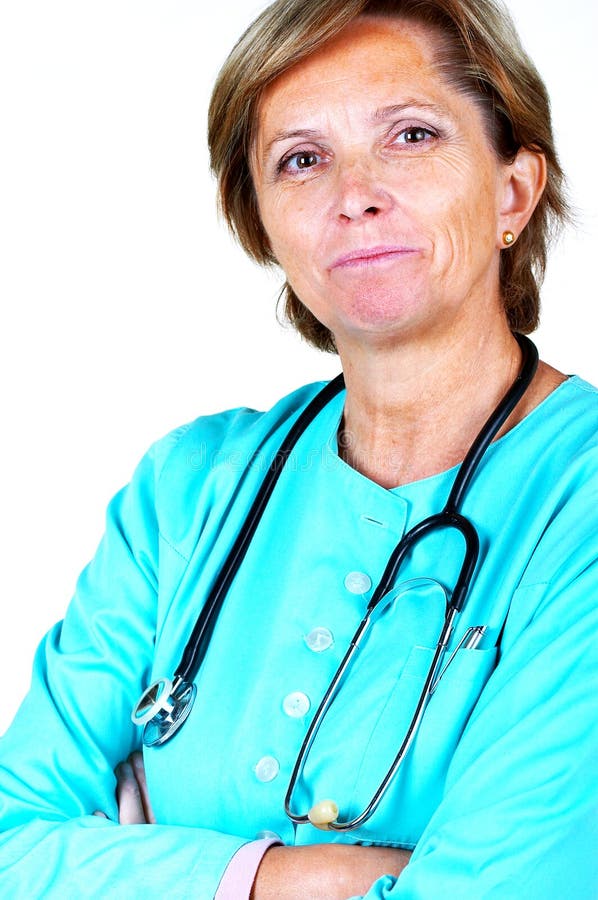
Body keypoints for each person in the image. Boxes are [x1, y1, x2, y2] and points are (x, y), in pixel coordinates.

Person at [1, 0, 596, 897]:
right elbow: (11, 840)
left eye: (411, 136)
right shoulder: (188, 490)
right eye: (302, 159)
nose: (354, 194)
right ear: (263, 223)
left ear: (513, 190)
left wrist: (139, 865)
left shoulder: (579, 502)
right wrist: (283, 878)